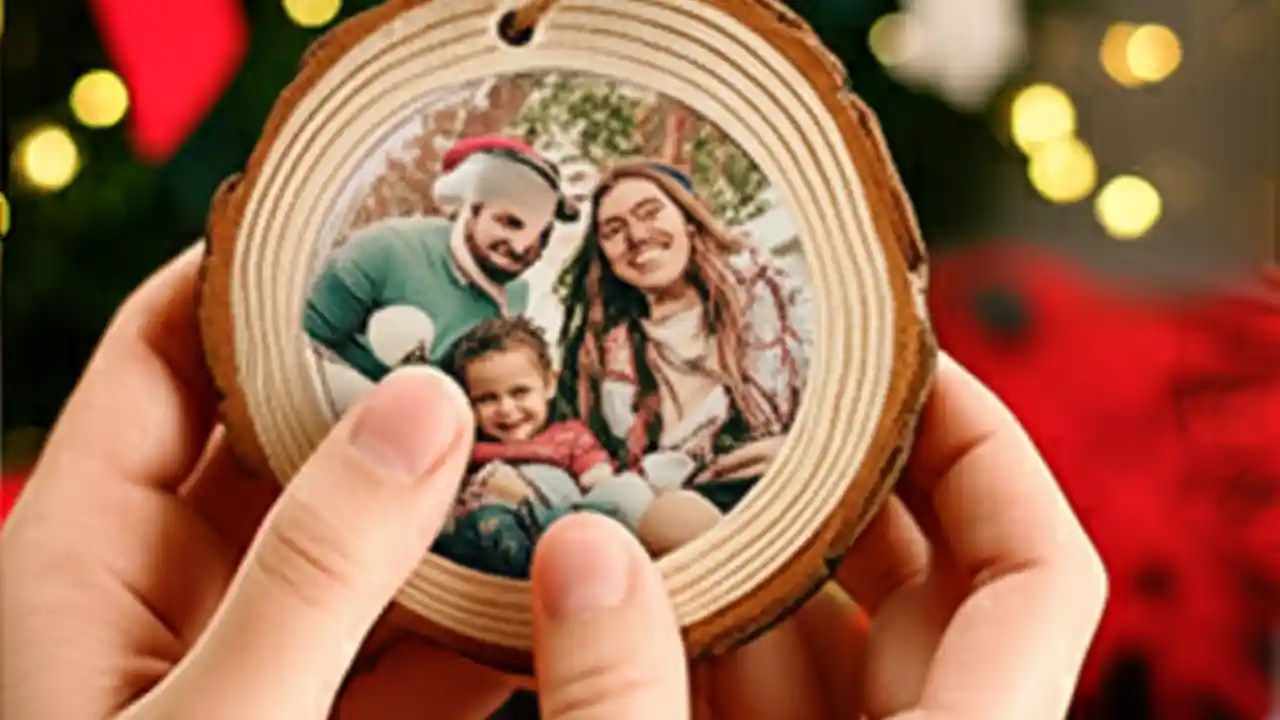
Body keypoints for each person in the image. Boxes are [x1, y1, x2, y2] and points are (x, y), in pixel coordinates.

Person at [0, 246, 1108, 719]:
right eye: (489, 406)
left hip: (604, 528)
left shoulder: (593, 424)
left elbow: (608, 480)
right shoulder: (472, 443)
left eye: (522, 401)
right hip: (501, 553)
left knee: (624, 513)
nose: (508, 417)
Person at [557, 161, 812, 551]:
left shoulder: (770, 296)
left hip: (790, 491)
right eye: (614, 230)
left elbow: (843, 393)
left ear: (688, 220)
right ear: (604, 255)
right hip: (677, 524)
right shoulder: (596, 355)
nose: (638, 236)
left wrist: (795, 449)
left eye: (650, 212)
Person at [303, 135, 577, 383]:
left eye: (542, 236)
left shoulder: (521, 296)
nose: (522, 248)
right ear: (474, 209)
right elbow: (301, 345)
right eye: (510, 223)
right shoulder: (384, 250)